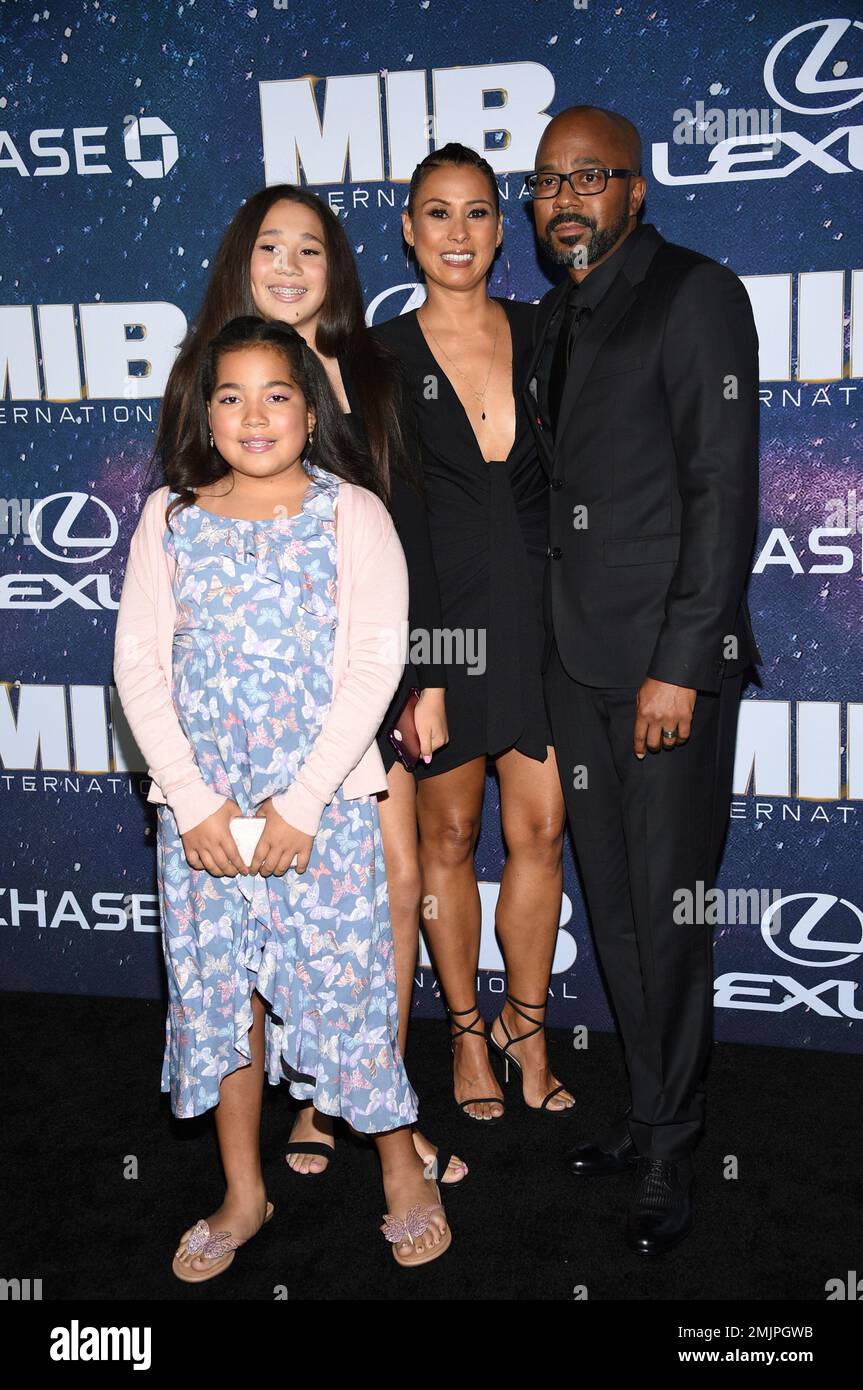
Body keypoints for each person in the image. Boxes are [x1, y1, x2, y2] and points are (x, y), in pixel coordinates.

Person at [114, 315, 452, 1271]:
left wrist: (302, 805)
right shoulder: (168, 520)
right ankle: (243, 1193)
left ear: (310, 410)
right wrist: (191, 800)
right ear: (203, 411)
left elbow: (375, 662)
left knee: (346, 994)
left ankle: (399, 1168)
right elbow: (137, 666)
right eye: (230, 396)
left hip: (324, 811)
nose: (253, 415)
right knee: (217, 999)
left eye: (276, 394)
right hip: (204, 820)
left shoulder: (353, 513)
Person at [153, 184, 466, 1186]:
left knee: (385, 893)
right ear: (241, 260)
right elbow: (165, 598)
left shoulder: (372, 368)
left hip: (354, 688)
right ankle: (310, 1119)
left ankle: (374, 1106)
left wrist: (420, 678)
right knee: (243, 937)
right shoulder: (207, 388)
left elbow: (403, 526)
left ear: (335, 271)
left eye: (311, 250)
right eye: (269, 247)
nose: (288, 266)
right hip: (226, 724)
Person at [526, 106, 761, 1254]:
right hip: (575, 666)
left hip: (662, 672)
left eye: (588, 178)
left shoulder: (694, 294)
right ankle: (645, 1110)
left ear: (634, 188)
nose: (564, 200)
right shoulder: (559, 316)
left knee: (670, 913)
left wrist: (682, 662)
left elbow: (722, 491)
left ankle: (673, 1147)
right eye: (547, 184)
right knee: (613, 909)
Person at [375, 144, 574, 1122]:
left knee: (540, 829)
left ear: (504, 228)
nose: (458, 233)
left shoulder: (548, 333)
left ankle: (525, 1028)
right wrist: (421, 666)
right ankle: (463, 1035)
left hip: (543, 620)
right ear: (408, 230)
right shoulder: (379, 359)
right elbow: (388, 525)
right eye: (437, 213)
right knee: (447, 834)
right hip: (442, 628)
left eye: (478, 213)